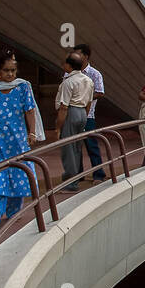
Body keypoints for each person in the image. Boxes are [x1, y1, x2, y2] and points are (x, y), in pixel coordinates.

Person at [0, 48, 42, 229]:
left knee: (17, 174)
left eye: (13, 70)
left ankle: (13, 212)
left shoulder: (23, 86)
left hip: (17, 141)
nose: (10, 74)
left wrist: (32, 132)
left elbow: (30, 110)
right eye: (6, 70)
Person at [55, 52, 94, 190]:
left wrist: (58, 127)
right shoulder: (88, 80)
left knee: (68, 148)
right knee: (77, 147)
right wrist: (85, 116)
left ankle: (70, 181)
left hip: (71, 112)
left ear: (69, 66)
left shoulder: (68, 82)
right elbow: (89, 102)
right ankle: (75, 178)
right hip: (83, 112)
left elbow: (64, 107)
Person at [76, 43, 106, 182]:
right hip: (73, 114)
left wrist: (84, 98)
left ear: (86, 56)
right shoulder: (69, 73)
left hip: (88, 115)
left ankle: (98, 174)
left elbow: (100, 92)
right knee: (74, 146)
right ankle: (78, 175)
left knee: (91, 145)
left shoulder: (94, 73)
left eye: (78, 54)